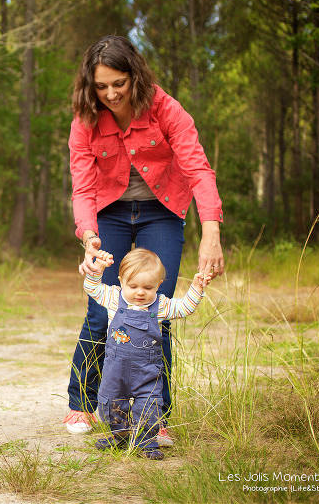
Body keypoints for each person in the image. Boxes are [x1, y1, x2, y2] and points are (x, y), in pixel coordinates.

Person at [62, 35, 224, 447]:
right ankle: (82, 402)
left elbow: (198, 170)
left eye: (119, 83)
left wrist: (211, 232)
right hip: (109, 212)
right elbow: (83, 186)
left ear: (135, 76)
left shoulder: (166, 109)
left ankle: (156, 415)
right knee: (102, 313)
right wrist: (89, 237)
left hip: (161, 211)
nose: (111, 94)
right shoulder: (85, 119)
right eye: (101, 86)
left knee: (155, 311)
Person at [80, 248, 210, 460]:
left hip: (147, 371)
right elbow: (91, 288)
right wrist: (98, 270)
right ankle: (120, 436)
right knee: (111, 402)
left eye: (148, 287)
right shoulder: (113, 297)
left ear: (158, 285)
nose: (140, 292)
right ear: (121, 281)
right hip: (115, 370)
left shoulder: (161, 306)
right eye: (133, 286)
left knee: (149, 406)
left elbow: (185, 308)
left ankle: (145, 441)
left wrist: (196, 287)